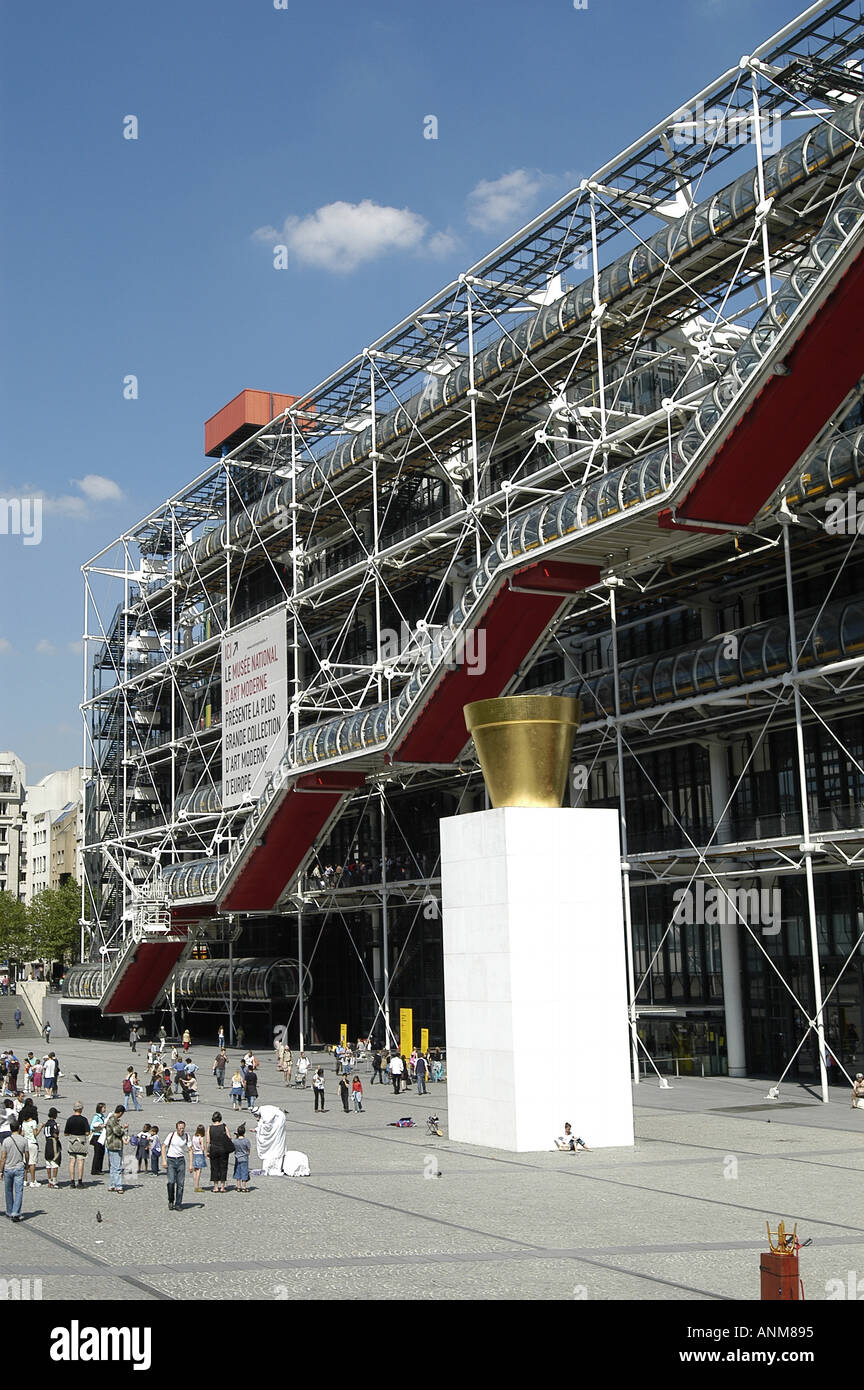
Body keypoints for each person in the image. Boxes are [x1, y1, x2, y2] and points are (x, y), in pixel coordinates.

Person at [0, 1118, 27, 1221]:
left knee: (8, 1190)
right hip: (19, 1167)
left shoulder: (6, 1141)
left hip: (8, 1168)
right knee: (19, 1191)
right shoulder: (23, 1140)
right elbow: (26, 1154)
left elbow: (3, 1157)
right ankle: (15, 1212)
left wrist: (0, 1171)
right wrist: (27, 1165)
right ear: (19, 1128)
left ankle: (9, 1210)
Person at [162, 1119, 192, 1210]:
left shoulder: (186, 1136)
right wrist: (164, 1160)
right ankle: (171, 1200)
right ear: (176, 1128)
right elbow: (163, 1146)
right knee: (171, 1182)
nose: (181, 1130)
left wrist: (191, 1164)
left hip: (180, 1161)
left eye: (182, 1128)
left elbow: (190, 1150)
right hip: (171, 1160)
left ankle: (178, 1203)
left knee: (180, 1183)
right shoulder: (171, 1135)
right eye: (179, 1128)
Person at [64, 1103, 91, 1187]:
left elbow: (66, 1133)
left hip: (72, 1141)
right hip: (81, 1142)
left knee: (72, 1161)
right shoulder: (84, 1120)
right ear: (81, 1109)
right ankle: (80, 1181)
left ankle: (72, 1181)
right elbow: (87, 1133)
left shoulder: (70, 1119)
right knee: (80, 1161)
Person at [206, 1112, 233, 1193]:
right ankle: (222, 1187)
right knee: (223, 1167)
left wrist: (207, 1151)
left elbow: (208, 1141)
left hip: (214, 1149)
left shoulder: (210, 1128)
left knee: (214, 1167)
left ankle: (215, 1187)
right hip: (223, 1149)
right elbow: (229, 1137)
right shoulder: (224, 1127)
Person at [104, 1106, 129, 1193]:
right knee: (117, 1167)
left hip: (110, 1144)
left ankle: (112, 1184)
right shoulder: (113, 1119)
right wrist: (124, 1128)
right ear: (120, 1112)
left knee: (112, 1166)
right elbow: (118, 1132)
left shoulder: (111, 1119)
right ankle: (118, 1186)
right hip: (115, 1145)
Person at [20, 1102, 39, 1188]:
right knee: (32, 1163)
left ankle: (25, 1180)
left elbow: (22, 1134)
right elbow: (35, 1134)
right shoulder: (33, 1122)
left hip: (25, 1143)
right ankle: (32, 1180)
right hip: (32, 1143)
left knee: (25, 1162)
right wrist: (41, 1127)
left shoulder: (24, 1123)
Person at [43, 1107, 61, 1187]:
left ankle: (49, 1180)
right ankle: (54, 1180)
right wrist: (58, 1130)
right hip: (53, 1142)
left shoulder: (46, 1124)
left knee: (48, 1162)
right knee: (55, 1161)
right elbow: (55, 1134)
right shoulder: (54, 1124)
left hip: (47, 1142)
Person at [90, 1102, 107, 1175]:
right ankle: (95, 1169)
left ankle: (99, 1168)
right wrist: (100, 1126)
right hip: (97, 1136)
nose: (105, 1109)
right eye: (104, 1107)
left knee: (101, 1152)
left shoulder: (102, 1116)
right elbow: (92, 1126)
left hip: (102, 1136)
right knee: (97, 1153)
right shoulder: (96, 1116)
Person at [233, 1123, 250, 1192]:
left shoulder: (235, 1141)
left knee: (238, 1172)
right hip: (244, 1158)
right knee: (244, 1172)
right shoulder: (246, 1141)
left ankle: (238, 1186)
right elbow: (248, 1149)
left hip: (237, 1157)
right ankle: (244, 1187)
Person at [191, 1124, 207, 1191]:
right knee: (199, 1171)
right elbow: (202, 1148)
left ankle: (195, 1185)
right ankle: (197, 1186)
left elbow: (192, 1146)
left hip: (195, 1153)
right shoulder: (201, 1138)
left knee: (195, 1170)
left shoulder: (194, 1137)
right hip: (200, 1154)